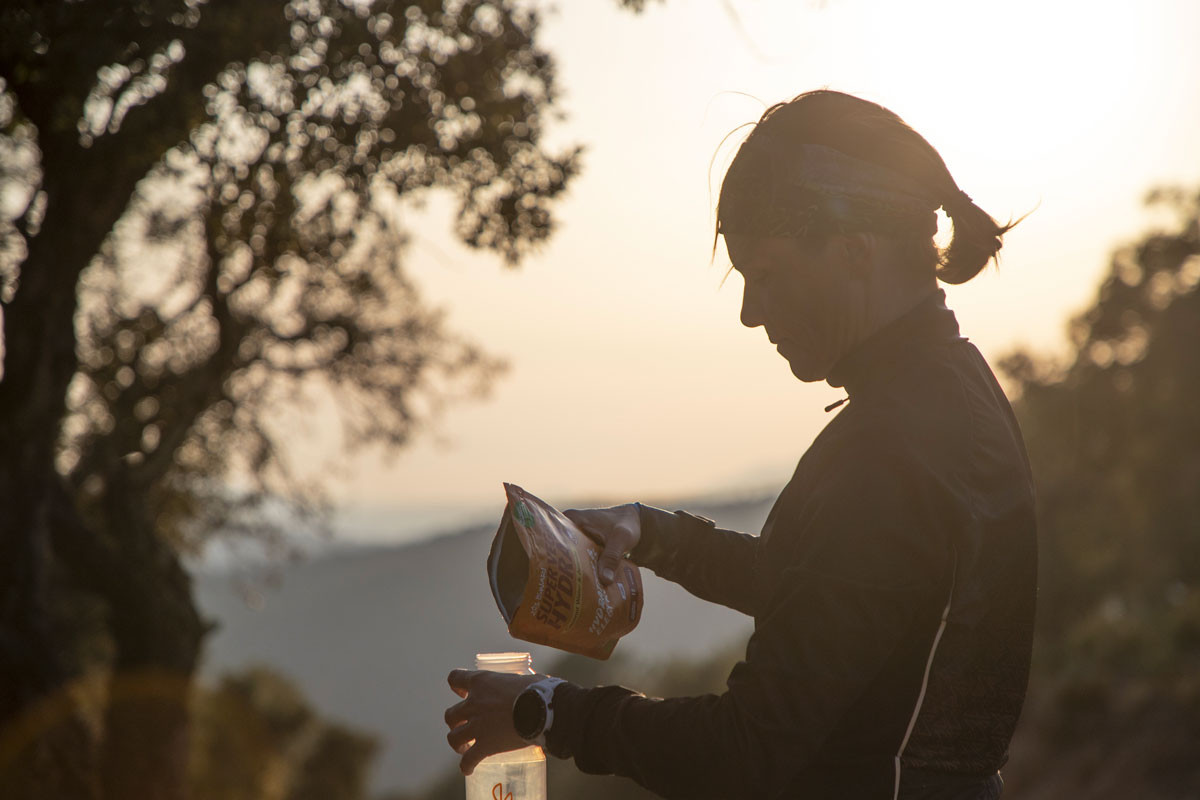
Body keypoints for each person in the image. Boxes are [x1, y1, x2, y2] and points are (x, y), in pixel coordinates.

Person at [444, 89, 1037, 800]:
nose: (752, 312)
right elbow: (830, 601)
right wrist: (654, 535)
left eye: (769, 275)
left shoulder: (896, 446)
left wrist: (547, 710)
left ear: (854, 251)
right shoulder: (945, 393)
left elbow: (747, 753)